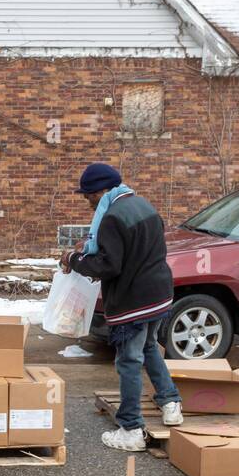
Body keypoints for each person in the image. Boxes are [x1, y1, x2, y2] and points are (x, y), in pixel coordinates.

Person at [61, 162, 182, 452]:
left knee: (129, 360)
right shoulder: (142, 205)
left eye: (88, 194)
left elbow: (109, 265)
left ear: (102, 190)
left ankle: (131, 428)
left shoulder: (111, 217)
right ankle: (170, 403)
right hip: (160, 294)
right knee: (150, 346)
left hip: (134, 301)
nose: (87, 201)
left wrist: (73, 260)